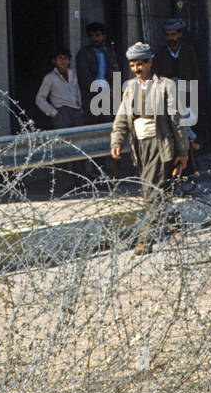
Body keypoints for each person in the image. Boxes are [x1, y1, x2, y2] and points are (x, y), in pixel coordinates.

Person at [110, 42, 190, 253]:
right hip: (140, 146)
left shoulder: (165, 86)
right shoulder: (129, 88)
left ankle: (145, 241)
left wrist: (183, 151)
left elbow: (176, 120)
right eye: (133, 65)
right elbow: (121, 118)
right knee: (159, 190)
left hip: (160, 144)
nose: (137, 69)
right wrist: (117, 141)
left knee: (150, 191)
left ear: (150, 62)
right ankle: (177, 228)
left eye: (140, 64)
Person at [151, 17, 202, 177]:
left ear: (179, 34)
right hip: (168, 102)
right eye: (168, 35)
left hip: (186, 98)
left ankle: (189, 170)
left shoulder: (188, 51)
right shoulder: (159, 54)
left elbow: (195, 76)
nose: (171, 38)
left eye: (174, 34)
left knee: (187, 133)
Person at [76, 22, 124, 123]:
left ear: (103, 36)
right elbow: (85, 78)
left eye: (98, 35)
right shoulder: (83, 54)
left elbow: (116, 73)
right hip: (92, 95)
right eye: (92, 36)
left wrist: (115, 90)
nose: (95, 39)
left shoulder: (110, 53)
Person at [35, 47, 83, 129]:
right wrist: (54, 113)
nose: (63, 61)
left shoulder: (73, 74)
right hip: (62, 113)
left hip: (76, 111)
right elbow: (39, 99)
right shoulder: (50, 77)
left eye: (66, 58)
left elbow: (77, 91)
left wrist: (80, 107)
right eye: (60, 58)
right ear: (54, 61)